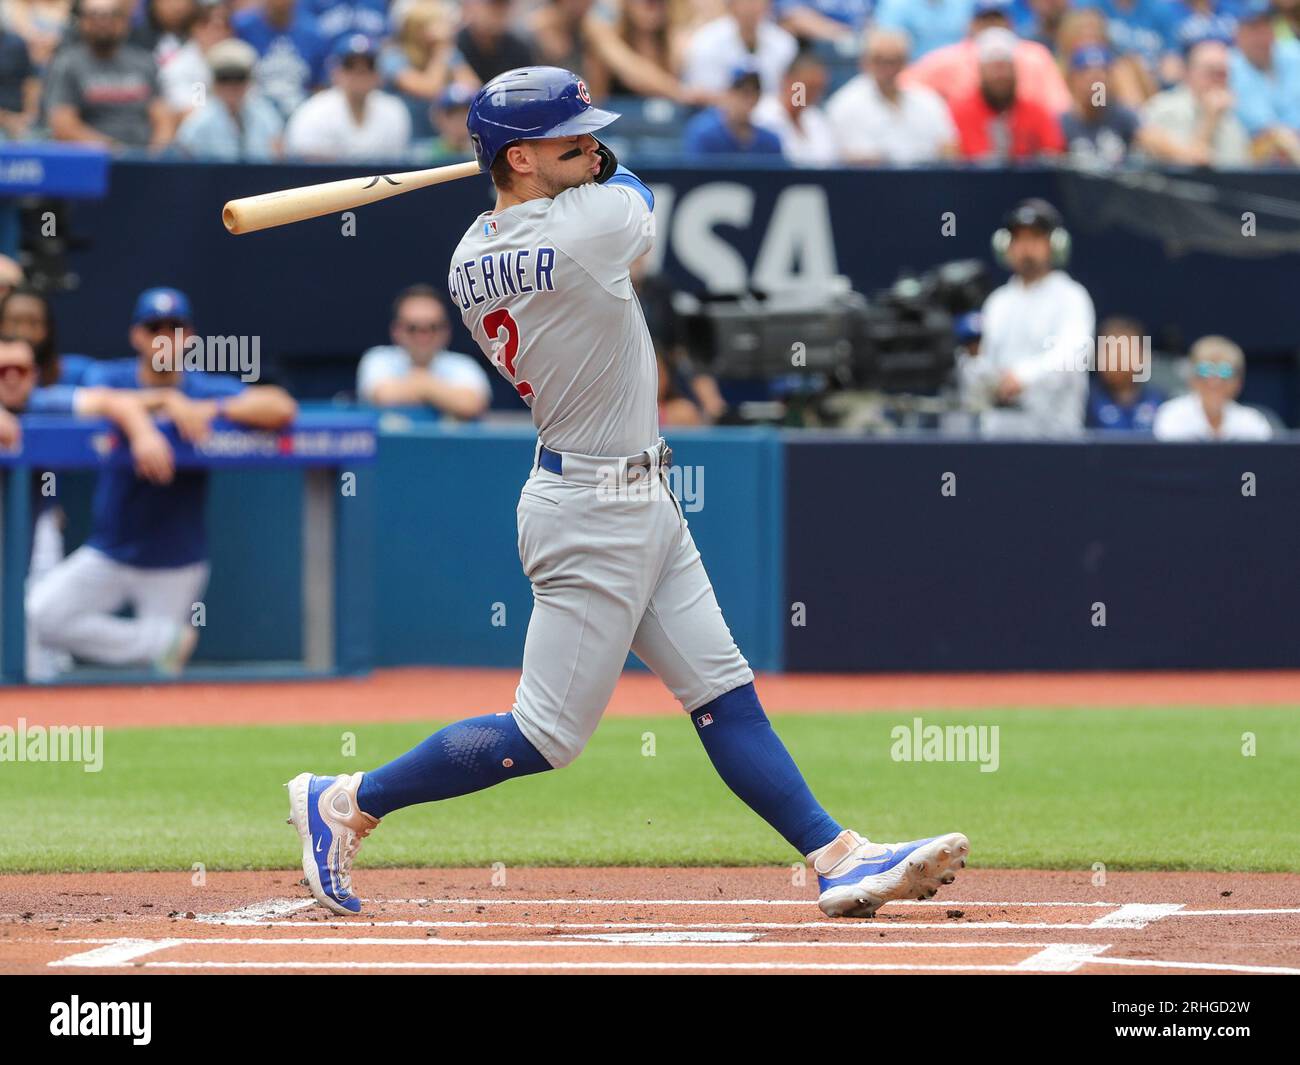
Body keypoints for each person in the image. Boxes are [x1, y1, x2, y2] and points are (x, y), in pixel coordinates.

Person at [286, 64, 970, 921]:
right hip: (590, 509)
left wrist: (559, 160)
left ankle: (837, 856)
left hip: (634, 493)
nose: (592, 142)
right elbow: (630, 184)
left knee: (723, 692)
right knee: (543, 735)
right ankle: (347, 799)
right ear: (519, 158)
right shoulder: (590, 223)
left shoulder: (467, 257)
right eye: (568, 133)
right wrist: (590, 167)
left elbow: (575, 187)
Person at [25, 287, 297, 676]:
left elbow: (281, 406)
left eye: (175, 328)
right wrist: (157, 412)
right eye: (154, 328)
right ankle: (155, 642)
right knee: (42, 614)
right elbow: (97, 399)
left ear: (189, 337)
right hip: (110, 551)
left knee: (158, 680)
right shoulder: (112, 375)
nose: (165, 338)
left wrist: (212, 408)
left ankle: (159, 652)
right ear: (137, 335)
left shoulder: (202, 387)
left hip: (176, 560)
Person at [960, 199, 1095, 437]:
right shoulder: (997, 302)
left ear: (1055, 244)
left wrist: (1023, 376)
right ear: (1006, 246)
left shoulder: (1072, 297)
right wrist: (977, 369)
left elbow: (1074, 352)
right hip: (999, 436)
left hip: (1054, 438)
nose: (1026, 248)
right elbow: (983, 366)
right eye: (1019, 239)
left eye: (1035, 238)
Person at [44, 0, 177, 149]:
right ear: (82, 21)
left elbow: (163, 118)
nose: (103, 22)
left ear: (125, 21)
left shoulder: (145, 63)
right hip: (91, 160)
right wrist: (114, 151)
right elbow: (63, 126)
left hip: (143, 157)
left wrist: (157, 152)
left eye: (112, 15)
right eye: (95, 15)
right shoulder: (66, 65)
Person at [900, 0, 1072, 114]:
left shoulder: (1035, 56)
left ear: (1010, 24)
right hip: (965, 142)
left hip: (1025, 142)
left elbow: (1060, 106)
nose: (992, 28)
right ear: (972, 25)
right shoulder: (948, 58)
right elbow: (905, 85)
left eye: (998, 21)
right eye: (985, 21)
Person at [824, 27, 958, 164]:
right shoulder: (844, 104)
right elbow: (847, 159)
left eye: (895, 61)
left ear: (905, 62)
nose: (888, 69)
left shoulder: (928, 100)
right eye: (879, 60)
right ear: (865, 62)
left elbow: (949, 149)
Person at [356, 284, 492, 416]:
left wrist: (419, 385)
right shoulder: (377, 358)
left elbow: (470, 404)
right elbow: (384, 396)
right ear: (395, 330)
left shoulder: (464, 364)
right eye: (412, 328)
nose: (423, 336)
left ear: (446, 331)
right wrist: (442, 394)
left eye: (432, 327)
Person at [284, 33, 411, 161]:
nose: (360, 72)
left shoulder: (394, 111)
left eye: (369, 65)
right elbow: (305, 166)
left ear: (379, 73)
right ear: (335, 72)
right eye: (349, 66)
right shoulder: (313, 112)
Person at [949, 27, 1065, 160]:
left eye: (1005, 67)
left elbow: (1054, 154)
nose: (1000, 76)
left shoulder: (1036, 111)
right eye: (994, 68)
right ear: (981, 71)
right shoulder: (959, 112)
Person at [1140, 37, 1252, 165]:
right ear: (1188, 72)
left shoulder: (1232, 117)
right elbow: (1190, 164)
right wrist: (1210, 120)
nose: (1219, 80)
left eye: (1223, 74)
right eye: (1212, 72)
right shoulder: (1163, 108)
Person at [175, 37, 284, 159]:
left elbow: (278, 160)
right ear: (214, 83)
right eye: (224, 79)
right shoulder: (197, 121)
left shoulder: (267, 116)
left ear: (249, 82)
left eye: (239, 78)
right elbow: (186, 164)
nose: (231, 86)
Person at [1153, 335, 1274, 440]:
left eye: (1225, 372)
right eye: (1205, 370)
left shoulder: (1252, 422)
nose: (1215, 382)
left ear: (1239, 382)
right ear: (1192, 378)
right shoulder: (1172, 416)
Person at [233, 0, 330, 118]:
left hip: (299, 113)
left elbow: (319, 88)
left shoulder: (314, 33)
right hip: (253, 116)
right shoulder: (243, 28)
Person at [1230, 0, 1300, 163]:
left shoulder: (1293, 53)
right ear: (1238, 34)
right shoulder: (1231, 67)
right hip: (1263, 159)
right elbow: (1265, 130)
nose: (1261, 37)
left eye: (1266, 26)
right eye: (1253, 29)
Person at [680, 0, 798, 95]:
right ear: (731, 5)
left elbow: (796, 90)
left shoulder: (785, 42)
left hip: (773, 117)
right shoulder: (706, 41)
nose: (752, 6)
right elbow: (703, 92)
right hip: (720, 116)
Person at [752, 48, 838, 164]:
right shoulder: (760, 114)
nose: (812, 95)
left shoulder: (817, 119)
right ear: (787, 80)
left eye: (818, 89)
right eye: (808, 87)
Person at [1061, 44, 1145, 164]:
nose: (1095, 85)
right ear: (1073, 79)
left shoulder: (1123, 116)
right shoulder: (1063, 122)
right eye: (1087, 76)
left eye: (1100, 76)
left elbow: (1151, 138)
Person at [682, 63, 783, 156]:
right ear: (728, 93)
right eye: (743, 92)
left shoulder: (770, 141)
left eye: (754, 92)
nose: (749, 98)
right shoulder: (704, 134)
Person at [1085, 316, 1167, 430]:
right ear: (1097, 357)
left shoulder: (1161, 401)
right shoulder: (1084, 401)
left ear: (1143, 355)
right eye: (1109, 350)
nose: (1117, 359)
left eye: (1125, 350)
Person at [452, 0, 537, 84]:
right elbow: (468, 89)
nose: (499, 12)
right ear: (471, 7)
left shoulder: (519, 48)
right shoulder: (454, 42)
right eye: (492, 6)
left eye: (503, 6)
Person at [875, 0, 974, 59]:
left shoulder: (965, 3)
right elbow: (888, 48)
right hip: (911, 77)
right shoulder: (896, 5)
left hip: (959, 75)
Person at [0, 22, 37, 139]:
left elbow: (31, 80)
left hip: (20, 118)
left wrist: (29, 115)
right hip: (7, 120)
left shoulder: (16, 43)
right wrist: (5, 119)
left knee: (34, 139)